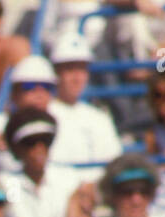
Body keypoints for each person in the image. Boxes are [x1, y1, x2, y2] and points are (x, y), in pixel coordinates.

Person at [0, 107, 86, 217]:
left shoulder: (68, 179)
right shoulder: (9, 184)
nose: (39, 148)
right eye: (30, 142)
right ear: (16, 149)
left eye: (45, 140)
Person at [46, 33, 121, 180]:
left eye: (81, 69)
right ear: (56, 72)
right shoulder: (45, 114)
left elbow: (113, 163)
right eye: (69, 70)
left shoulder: (100, 117)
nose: (77, 78)